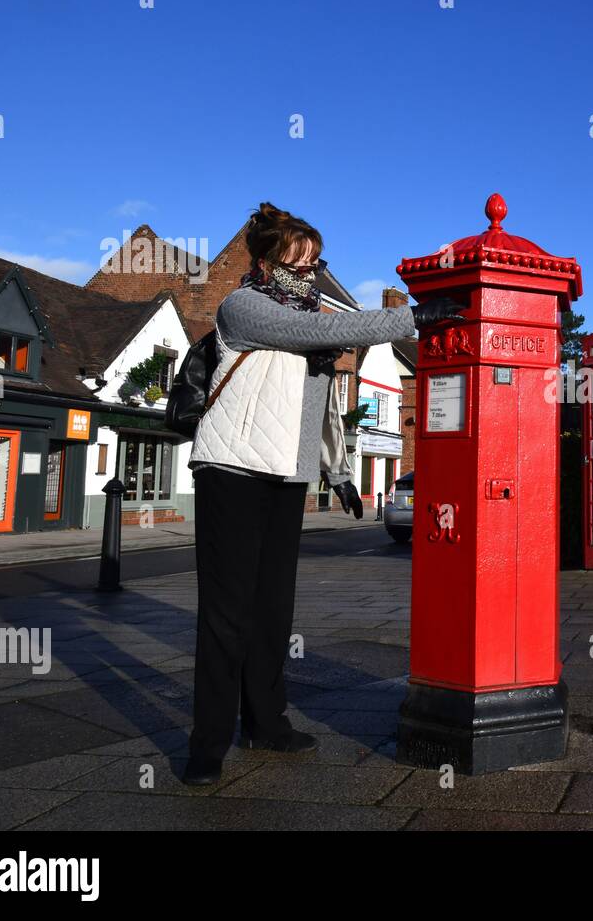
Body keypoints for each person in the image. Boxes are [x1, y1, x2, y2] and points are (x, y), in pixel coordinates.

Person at [182, 203, 462, 785]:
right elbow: (323, 328)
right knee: (225, 615)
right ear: (268, 259)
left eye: (315, 259)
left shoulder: (307, 320)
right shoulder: (245, 307)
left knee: (272, 611)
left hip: (285, 476)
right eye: (299, 258)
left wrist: (337, 474)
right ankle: (207, 745)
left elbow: (319, 410)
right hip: (231, 469)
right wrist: (415, 319)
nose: (309, 269)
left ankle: (266, 723)